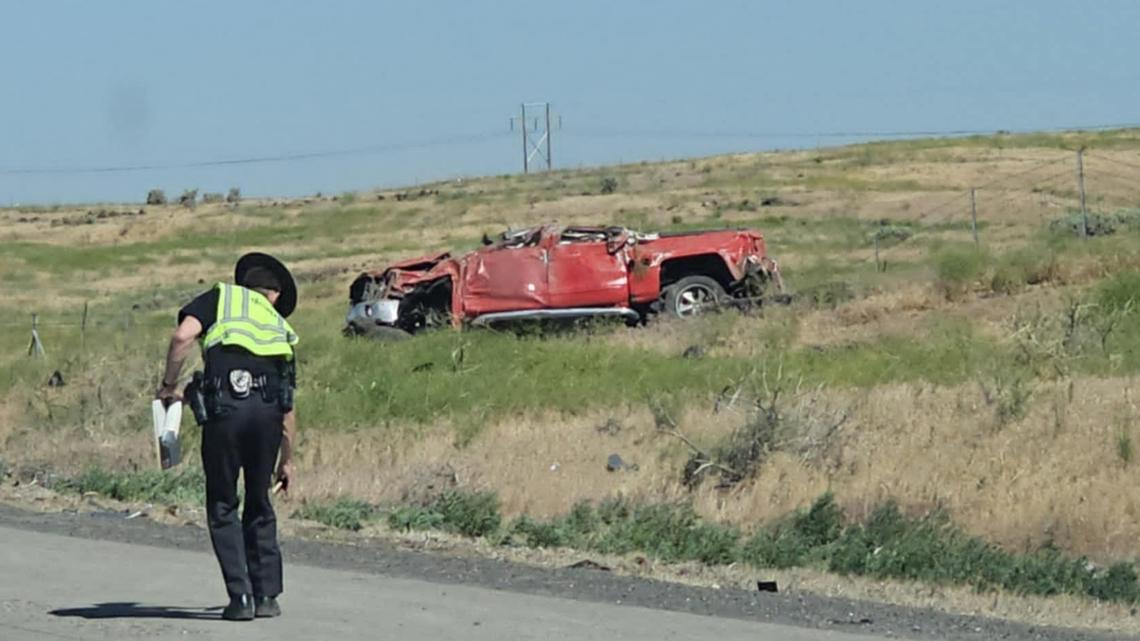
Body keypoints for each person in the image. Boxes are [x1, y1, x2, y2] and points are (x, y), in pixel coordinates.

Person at [156, 252, 299, 621]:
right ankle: (266, 597)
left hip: (225, 411)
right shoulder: (279, 325)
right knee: (260, 501)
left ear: (245, 285)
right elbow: (288, 405)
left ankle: (241, 598)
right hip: (268, 414)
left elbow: (182, 336)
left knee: (223, 504)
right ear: (276, 295)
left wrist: (169, 385)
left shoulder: (222, 298)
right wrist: (287, 460)